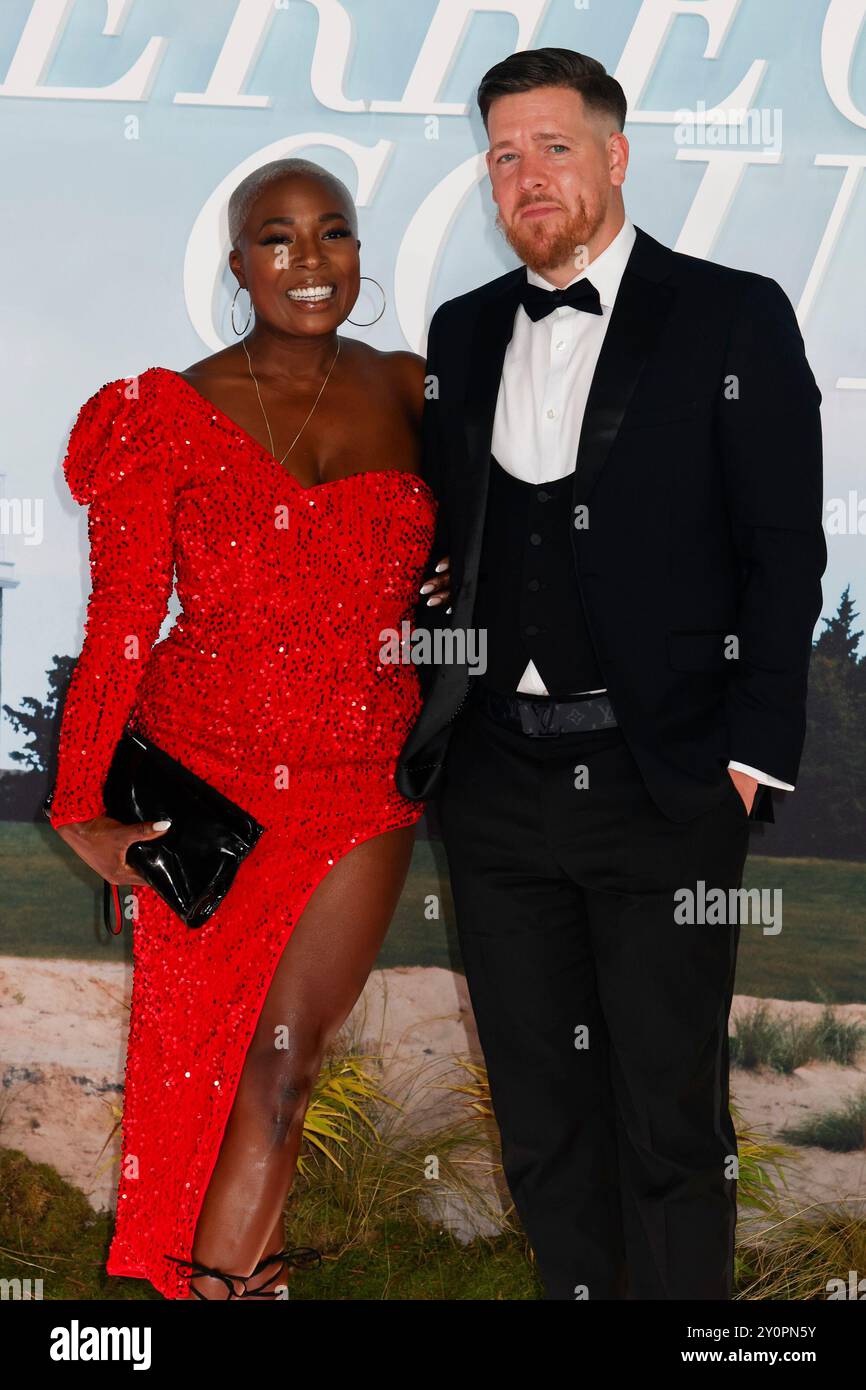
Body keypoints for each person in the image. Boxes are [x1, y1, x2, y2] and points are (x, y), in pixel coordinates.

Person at [398, 49, 826, 1299]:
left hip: (667, 782)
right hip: (494, 784)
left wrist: (747, 762)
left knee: (668, 1122)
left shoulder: (731, 314)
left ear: (615, 154)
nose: (524, 176)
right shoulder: (463, 331)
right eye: (501, 155)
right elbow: (457, 543)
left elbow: (782, 551)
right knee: (540, 1118)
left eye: (552, 146)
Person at [47, 157, 447, 1300]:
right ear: (236, 264)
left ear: (359, 256)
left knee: (282, 1069)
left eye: (332, 233)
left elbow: (504, 543)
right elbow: (122, 623)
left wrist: (456, 568)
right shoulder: (161, 415)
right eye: (277, 238)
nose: (308, 260)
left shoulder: (420, 392)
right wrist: (81, 810)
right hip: (205, 785)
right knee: (200, 1075)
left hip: (364, 776)